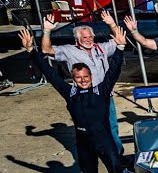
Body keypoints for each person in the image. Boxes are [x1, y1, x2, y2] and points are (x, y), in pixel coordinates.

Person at [21, 27, 124, 173]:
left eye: (86, 77)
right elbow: (50, 73)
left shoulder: (101, 90)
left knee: (117, 172)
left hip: (104, 141)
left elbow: (114, 70)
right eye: (78, 78)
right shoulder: (69, 93)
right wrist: (31, 51)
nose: (83, 80)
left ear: (91, 77)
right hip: (84, 143)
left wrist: (119, 47)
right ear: (73, 78)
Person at [41, 9, 126, 154]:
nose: (88, 39)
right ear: (77, 39)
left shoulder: (101, 48)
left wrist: (111, 24)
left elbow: (119, 39)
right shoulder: (69, 50)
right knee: (88, 128)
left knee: (111, 126)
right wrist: (47, 31)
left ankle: (117, 155)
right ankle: (93, 153)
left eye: (90, 36)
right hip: (84, 97)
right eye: (85, 37)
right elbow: (46, 50)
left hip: (104, 95)